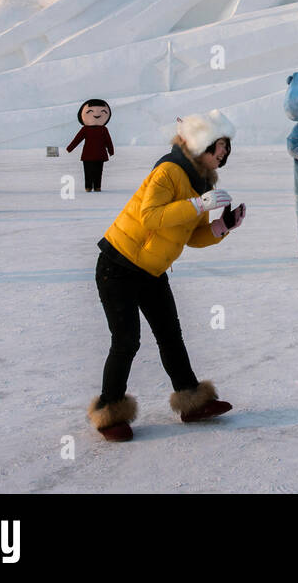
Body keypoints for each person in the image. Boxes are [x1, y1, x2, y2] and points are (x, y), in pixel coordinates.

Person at [87, 110, 247, 442]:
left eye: (226, 146)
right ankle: (108, 410)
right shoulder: (168, 171)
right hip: (118, 265)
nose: (224, 152)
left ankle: (192, 400)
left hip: (152, 270)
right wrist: (199, 205)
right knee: (127, 340)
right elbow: (151, 217)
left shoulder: (200, 180)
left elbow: (191, 235)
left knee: (170, 336)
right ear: (201, 144)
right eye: (219, 145)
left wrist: (221, 227)